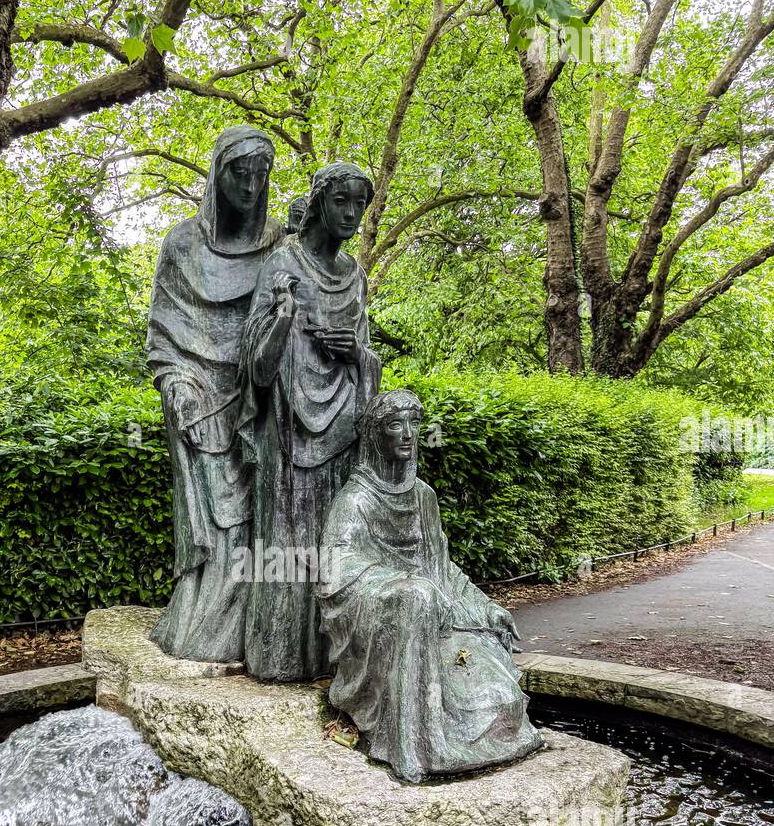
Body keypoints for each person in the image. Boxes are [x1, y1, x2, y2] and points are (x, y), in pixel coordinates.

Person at [317, 390, 543, 783]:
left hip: (439, 623)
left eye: (414, 425)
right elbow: (336, 566)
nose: (407, 434)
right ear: (375, 435)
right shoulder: (356, 499)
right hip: (389, 620)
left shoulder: (424, 497)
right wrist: (404, 584)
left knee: (499, 700)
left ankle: (453, 739)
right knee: (415, 598)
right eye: (394, 425)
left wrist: (486, 606)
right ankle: (416, 746)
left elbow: (444, 569)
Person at [237, 162, 380, 681]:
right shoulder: (282, 264)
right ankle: (280, 656)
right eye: (341, 202)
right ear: (319, 201)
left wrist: (355, 352)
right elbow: (256, 364)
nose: (349, 215)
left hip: (341, 424)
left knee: (336, 540)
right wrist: (283, 319)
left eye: (358, 207)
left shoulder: (355, 276)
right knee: (289, 544)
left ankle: (334, 658)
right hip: (288, 427)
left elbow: (367, 358)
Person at [147, 126, 283, 662]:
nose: (250, 185)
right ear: (217, 176)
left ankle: (267, 627)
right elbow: (163, 339)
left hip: (261, 401)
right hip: (200, 398)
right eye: (239, 172)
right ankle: (207, 622)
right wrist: (178, 386)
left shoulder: (279, 247)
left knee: (264, 517)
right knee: (222, 523)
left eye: (261, 173)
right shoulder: (181, 245)